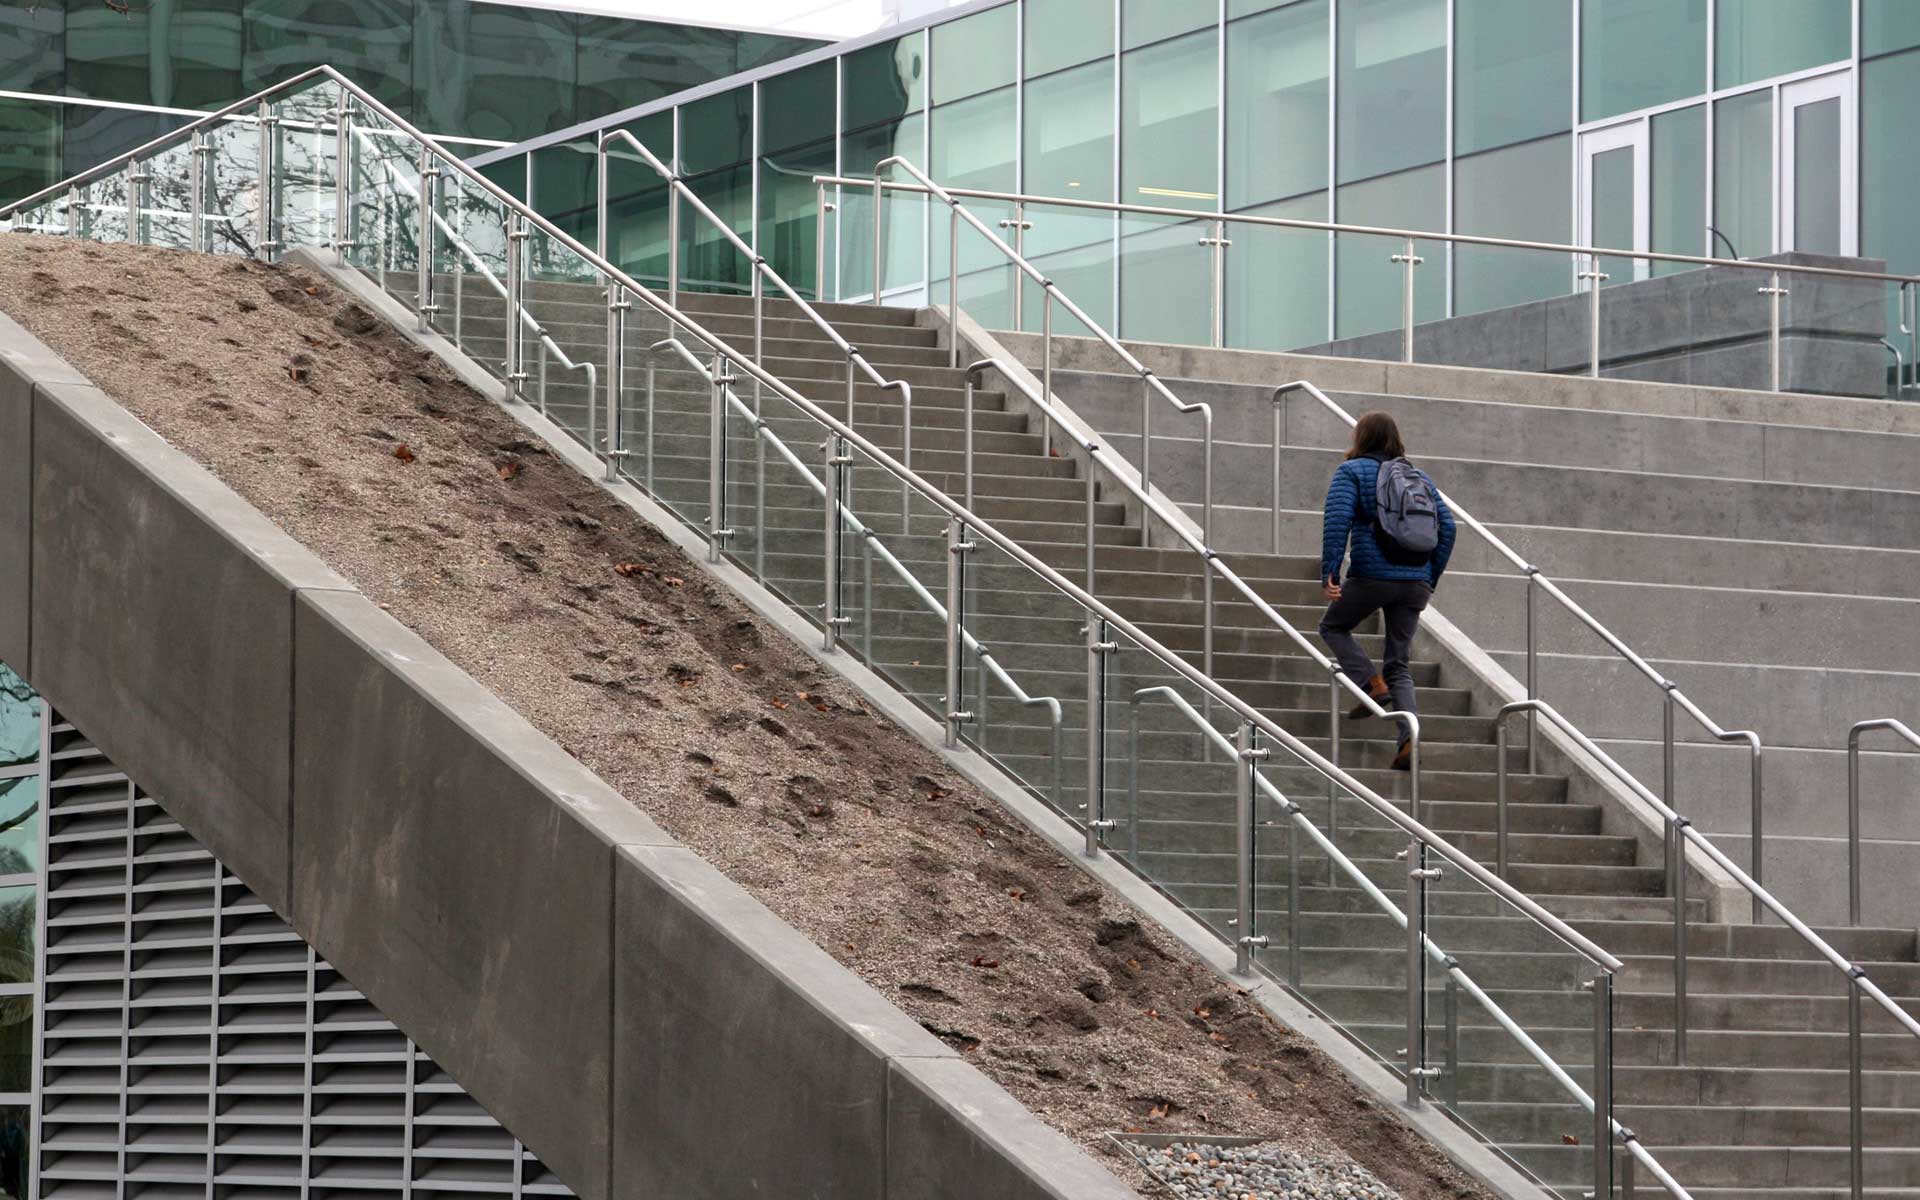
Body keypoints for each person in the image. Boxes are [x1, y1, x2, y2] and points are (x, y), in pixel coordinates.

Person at [1318, 411, 1455, 771]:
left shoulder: (1352, 471)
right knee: (1399, 665)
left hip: (1372, 576)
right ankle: (1409, 739)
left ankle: (1369, 683)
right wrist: (1430, 577)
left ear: (1361, 438)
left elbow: (1337, 521)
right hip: (1415, 583)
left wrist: (1330, 570)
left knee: (1332, 626)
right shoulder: (1418, 477)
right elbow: (1448, 527)